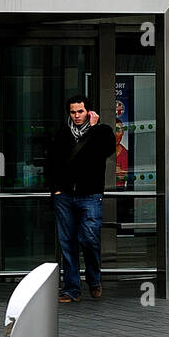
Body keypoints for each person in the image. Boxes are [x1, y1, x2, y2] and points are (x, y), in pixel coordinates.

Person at [46, 94, 115, 303]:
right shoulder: (62, 134)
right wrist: (56, 189)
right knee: (67, 243)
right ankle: (72, 289)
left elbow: (105, 151)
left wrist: (93, 128)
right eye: (73, 112)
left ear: (89, 112)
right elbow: (52, 161)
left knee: (89, 238)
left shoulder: (101, 132)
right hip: (65, 196)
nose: (76, 116)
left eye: (80, 111)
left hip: (90, 195)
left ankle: (94, 279)